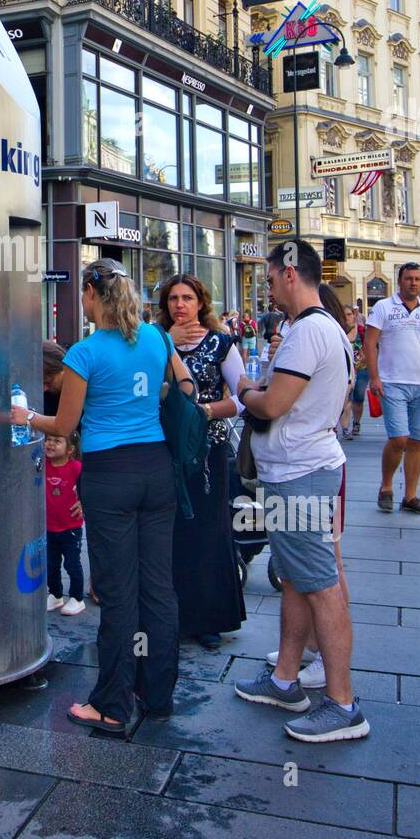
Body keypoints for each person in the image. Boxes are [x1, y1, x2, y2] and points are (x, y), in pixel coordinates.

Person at [20, 258, 195, 734]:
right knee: (158, 587)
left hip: (110, 475)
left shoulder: (85, 353)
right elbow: (185, 386)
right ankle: (157, 695)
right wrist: (155, 397)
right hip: (156, 468)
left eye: (84, 292)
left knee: (117, 593)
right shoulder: (157, 338)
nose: (83, 300)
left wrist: (26, 418)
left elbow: (64, 424)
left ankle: (113, 705)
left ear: (93, 294)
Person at [233, 239, 368, 743]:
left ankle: (343, 705)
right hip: (298, 469)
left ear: (290, 273)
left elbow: (272, 405)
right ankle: (285, 680)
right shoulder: (318, 327)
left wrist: (244, 390)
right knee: (295, 579)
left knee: (319, 584)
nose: (268, 290)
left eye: (270, 280)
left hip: (300, 473)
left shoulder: (309, 331)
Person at [158, 274, 246, 651]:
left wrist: (204, 412)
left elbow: (242, 397)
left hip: (209, 450)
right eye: (173, 298)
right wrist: (166, 345)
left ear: (200, 303)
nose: (180, 305)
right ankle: (171, 616)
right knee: (170, 532)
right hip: (165, 449)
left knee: (209, 530)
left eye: (187, 298)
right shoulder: (154, 340)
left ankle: (209, 619)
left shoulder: (221, 343)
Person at [364, 263, 420, 514]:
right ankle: (386, 486)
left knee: (417, 441)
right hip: (392, 382)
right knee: (399, 439)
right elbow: (370, 343)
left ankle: (410, 496)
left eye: (417, 279)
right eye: (409, 278)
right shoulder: (383, 307)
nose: (413, 283)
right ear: (399, 281)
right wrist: (374, 377)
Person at [45, 431, 84, 616]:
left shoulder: (76, 467)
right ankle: (55, 594)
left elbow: (88, 485)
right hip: (48, 527)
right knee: (50, 564)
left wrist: (83, 501)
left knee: (72, 564)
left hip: (71, 528)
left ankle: (77, 598)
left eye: (57, 441)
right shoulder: (42, 465)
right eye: (48, 440)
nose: (50, 444)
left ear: (70, 450)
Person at [341, 302, 367, 439]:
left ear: (354, 315)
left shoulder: (361, 330)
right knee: (346, 399)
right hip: (344, 369)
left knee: (359, 398)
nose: (347, 317)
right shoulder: (337, 330)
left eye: (349, 314)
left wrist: (366, 355)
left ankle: (356, 422)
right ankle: (345, 429)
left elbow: (370, 346)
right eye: (344, 315)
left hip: (361, 369)